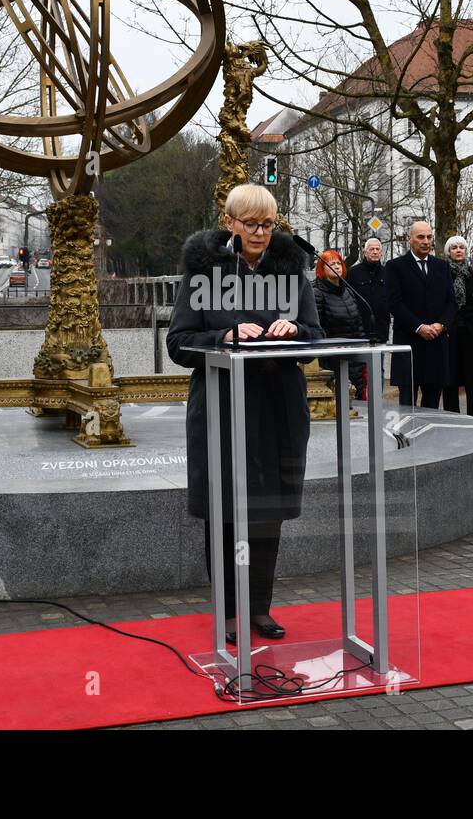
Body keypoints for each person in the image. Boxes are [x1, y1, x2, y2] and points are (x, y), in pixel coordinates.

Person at [165, 184, 325, 641]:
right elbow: (178, 344)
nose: (260, 232)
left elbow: (315, 335)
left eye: (268, 224)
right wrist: (223, 338)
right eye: (251, 224)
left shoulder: (291, 272)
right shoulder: (203, 274)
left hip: (279, 408)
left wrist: (294, 329)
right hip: (223, 408)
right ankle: (229, 611)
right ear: (230, 222)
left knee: (267, 511)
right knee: (227, 512)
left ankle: (260, 608)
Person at [385, 221, 457, 408]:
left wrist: (441, 325)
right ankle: (405, 437)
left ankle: (430, 438)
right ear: (409, 239)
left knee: (432, 405)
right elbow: (394, 303)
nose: (426, 241)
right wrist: (418, 327)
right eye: (420, 237)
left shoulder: (442, 267)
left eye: (429, 237)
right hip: (409, 344)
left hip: (436, 343)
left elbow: (451, 303)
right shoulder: (395, 266)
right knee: (407, 405)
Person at [313, 248, 373, 397]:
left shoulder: (348, 291)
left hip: (355, 360)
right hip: (332, 361)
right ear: (321, 269)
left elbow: (358, 324)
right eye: (331, 263)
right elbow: (318, 329)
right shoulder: (316, 293)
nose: (337, 266)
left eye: (338, 262)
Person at [442, 235, 473, 416]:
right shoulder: (442, 272)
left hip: (471, 331)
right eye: (454, 247)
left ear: (466, 251)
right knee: (450, 378)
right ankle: (452, 416)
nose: (458, 250)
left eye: (461, 247)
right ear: (449, 252)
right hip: (449, 331)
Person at [346, 237, 390, 397]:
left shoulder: (387, 273)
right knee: (358, 368)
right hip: (359, 330)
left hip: (380, 329)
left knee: (378, 368)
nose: (375, 251)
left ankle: (377, 400)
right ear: (364, 252)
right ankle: (359, 400)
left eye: (378, 249)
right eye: (371, 249)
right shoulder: (353, 273)